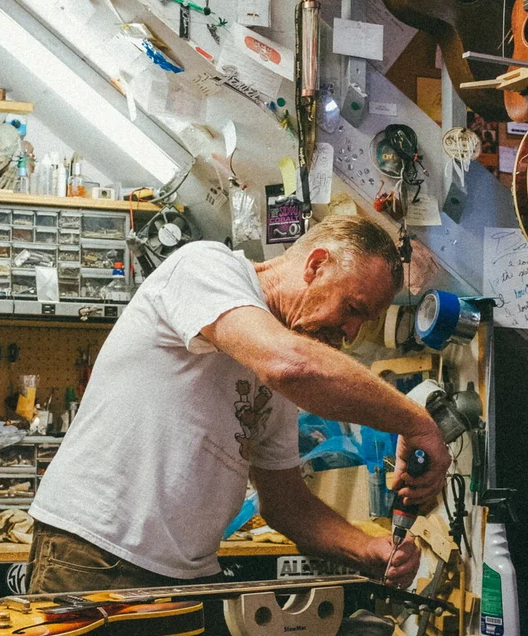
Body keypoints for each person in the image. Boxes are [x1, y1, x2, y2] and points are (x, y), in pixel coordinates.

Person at [26, 216, 450, 595]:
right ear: (316, 264)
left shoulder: (283, 368)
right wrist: (417, 423)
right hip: (95, 553)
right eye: (352, 308)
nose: (352, 332)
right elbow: (289, 365)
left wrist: (366, 548)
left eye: (364, 322)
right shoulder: (206, 267)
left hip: (189, 576)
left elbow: (285, 502)